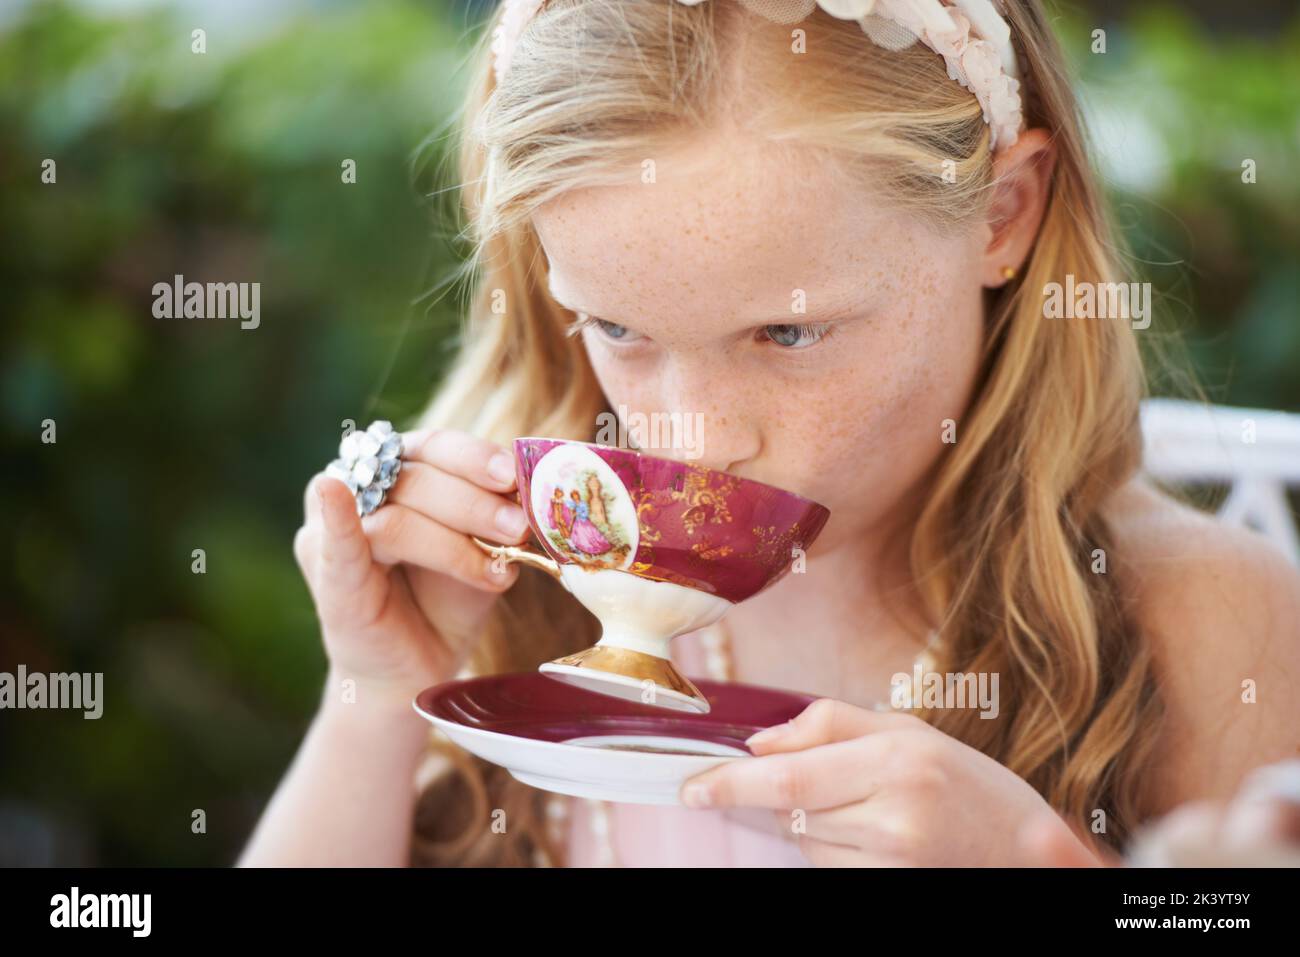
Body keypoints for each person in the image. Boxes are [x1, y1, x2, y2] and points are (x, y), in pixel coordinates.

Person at [239, 0, 1300, 867]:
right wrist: (375, 700)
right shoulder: (515, 597)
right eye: (618, 327)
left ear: (1003, 215)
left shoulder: (1204, 623)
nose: (692, 442)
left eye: (788, 331)